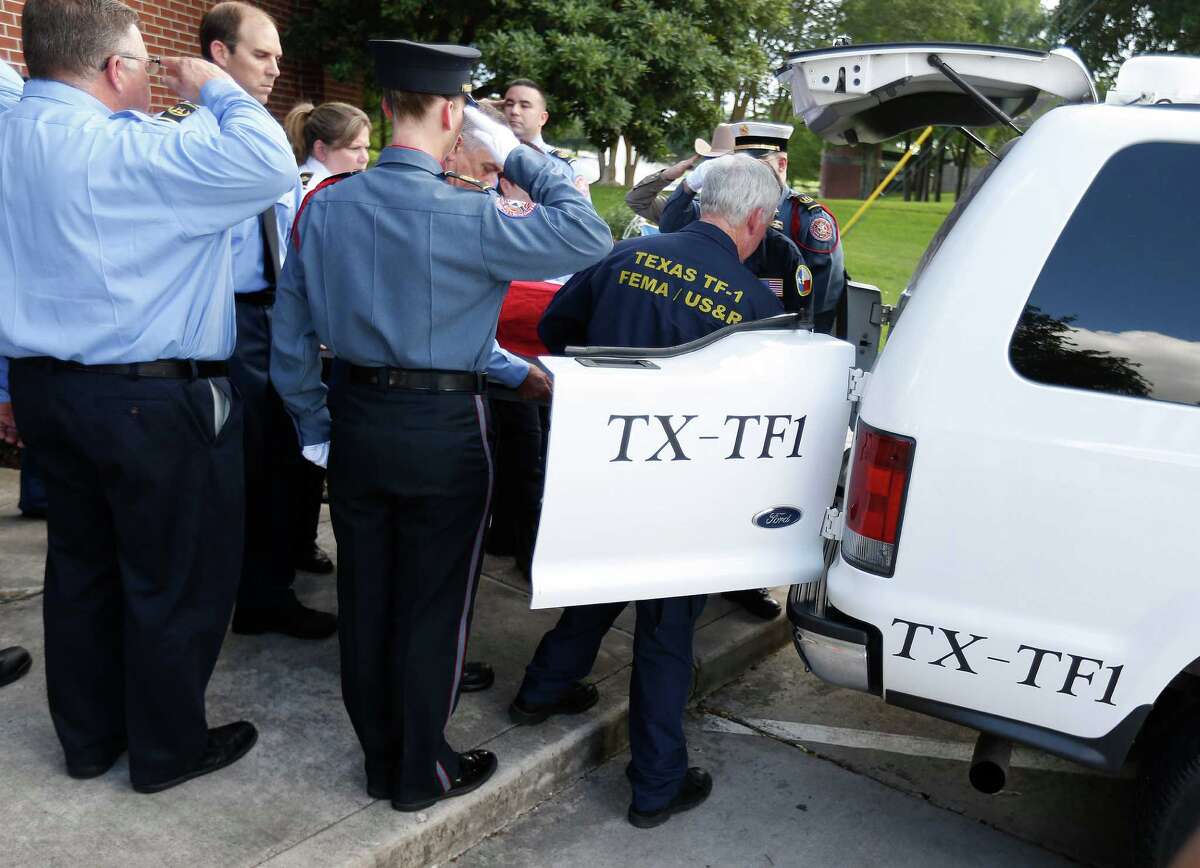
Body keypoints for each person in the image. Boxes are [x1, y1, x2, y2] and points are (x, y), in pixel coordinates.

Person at [270, 38, 611, 810]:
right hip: (443, 428)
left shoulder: (329, 204)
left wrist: (313, 423)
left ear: (385, 107)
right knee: (433, 606)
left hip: (354, 418)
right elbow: (589, 236)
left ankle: (379, 756)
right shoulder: (472, 212)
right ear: (456, 113)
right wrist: (518, 151)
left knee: (367, 598)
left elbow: (289, 333)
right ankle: (419, 769)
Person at [1, 0, 297, 790]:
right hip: (149, 401)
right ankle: (166, 749)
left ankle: (89, 740)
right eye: (140, 61)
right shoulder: (135, 150)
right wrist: (216, 87)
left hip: (44, 389)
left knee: (81, 571)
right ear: (112, 68)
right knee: (175, 581)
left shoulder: (11, 129)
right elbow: (271, 166)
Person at [512, 154, 785, 828]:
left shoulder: (626, 255)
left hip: (604, 468)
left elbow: (554, 333)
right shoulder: (756, 305)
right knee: (666, 633)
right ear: (754, 220)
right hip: (686, 494)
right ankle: (656, 784)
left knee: (601, 582)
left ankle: (540, 693)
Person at [172, 1, 336, 636]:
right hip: (224, 321)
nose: (274, 69)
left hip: (277, 317)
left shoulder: (262, 135)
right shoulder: (186, 133)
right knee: (238, 466)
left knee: (280, 459)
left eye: (277, 57)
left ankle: (268, 587)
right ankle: (244, 595)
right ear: (220, 55)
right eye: (261, 55)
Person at [282, 100, 373, 577]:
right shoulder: (318, 193)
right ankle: (296, 547)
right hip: (314, 346)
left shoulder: (312, 185)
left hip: (310, 340)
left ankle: (298, 544)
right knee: (305, 459)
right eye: (355, 149)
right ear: (322, 147)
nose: (364, 158)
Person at [659, 120, 847, 336]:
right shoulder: (727, 200)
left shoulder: (806, 217)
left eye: (756, 165)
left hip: (777, 332)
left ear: (782, 164)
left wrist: (807, 341)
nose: (746, 172)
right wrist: (690, 184)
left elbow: (822, 300)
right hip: (717, 325)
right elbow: (670, 225)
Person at [502, 78, 589, 194]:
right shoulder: (489, 156)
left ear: (542, 118)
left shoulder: (564, 168)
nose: (514, 111)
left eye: (524, 106)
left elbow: (578, 212)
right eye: (509, 104)